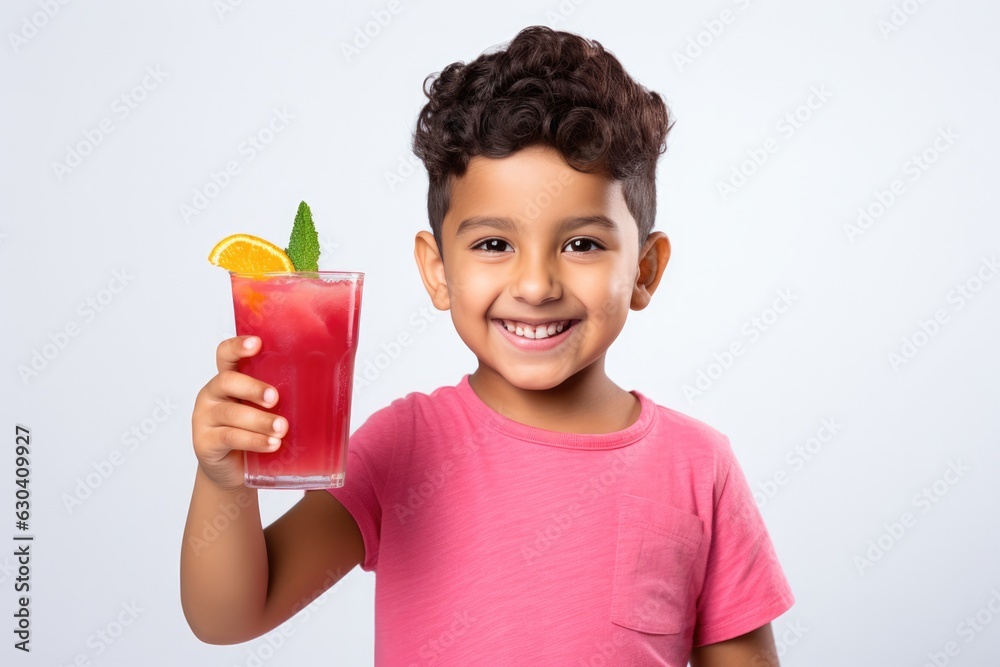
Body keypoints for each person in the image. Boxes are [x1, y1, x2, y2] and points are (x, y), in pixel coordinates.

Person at [181, 25, 794, 666]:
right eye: (493, 244)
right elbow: (231, 615)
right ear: (438, 270)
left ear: (643, 270)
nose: (534, 285)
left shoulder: (699, 468)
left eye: (582, 244)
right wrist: (224, 483)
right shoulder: (403, 446)